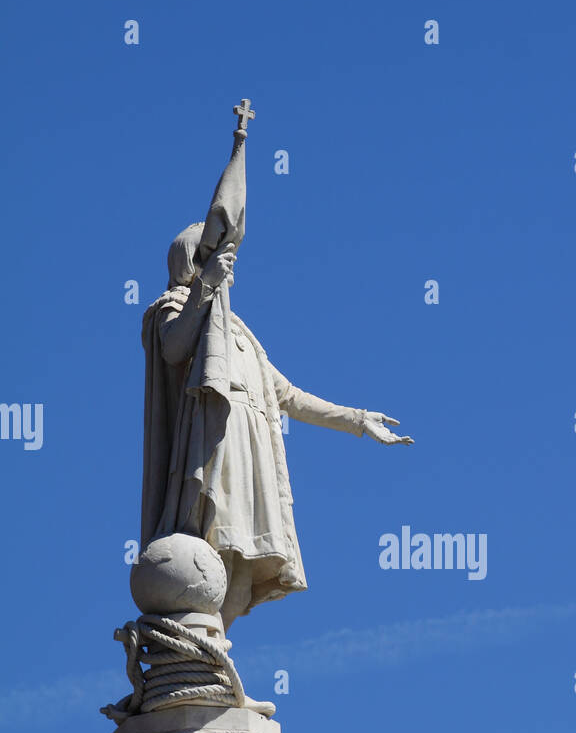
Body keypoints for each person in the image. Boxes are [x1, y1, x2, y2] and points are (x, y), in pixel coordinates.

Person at [140, 222, 412, 629]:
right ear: (194, 261)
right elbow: (175, 345)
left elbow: (289, 395)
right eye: (218, 256)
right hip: (214, 441)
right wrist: (206, 288)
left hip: (253, 451)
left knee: (242, 567)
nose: (229, 265)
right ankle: (193, 651)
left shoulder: (242, 332)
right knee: (210, 547)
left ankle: (213, 656)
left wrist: (357, 420)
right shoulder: (175, 303)